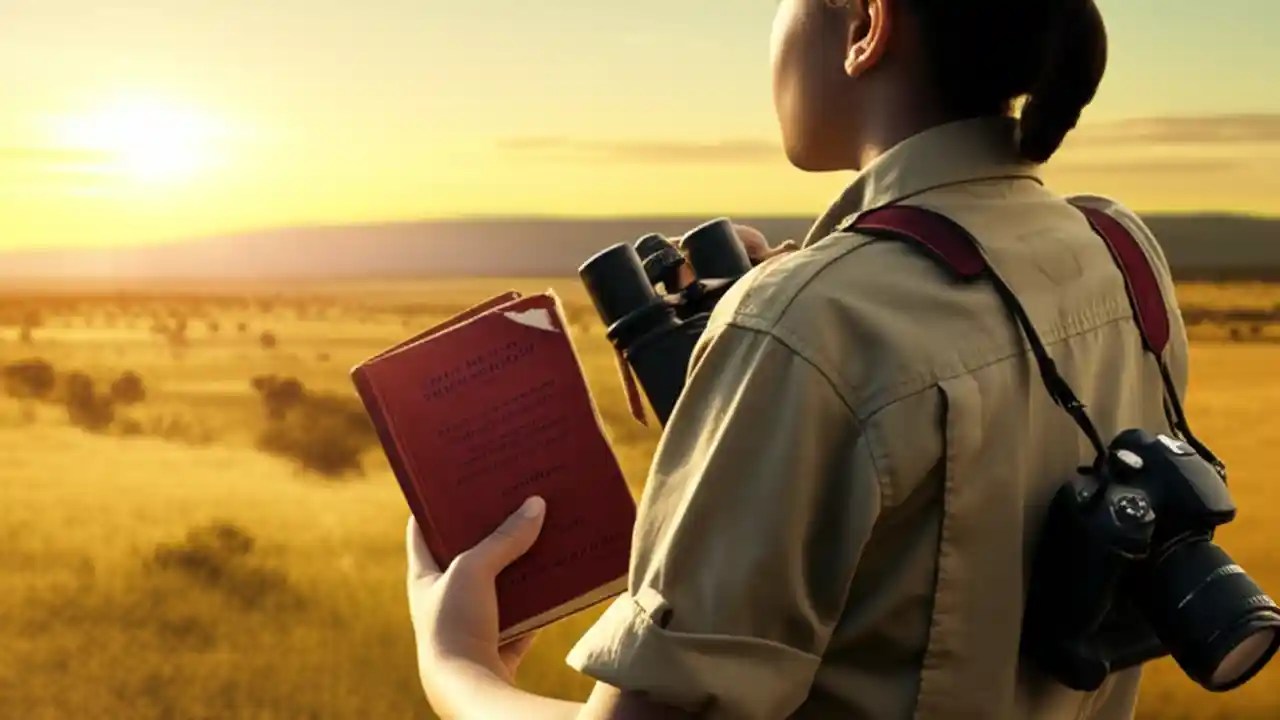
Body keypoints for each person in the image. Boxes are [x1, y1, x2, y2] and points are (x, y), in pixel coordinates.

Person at [404, 0, 1183, 717]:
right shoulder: (1119, 251)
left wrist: (458, 662)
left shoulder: (810, 323)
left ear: (866, 26)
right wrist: (794, 301)